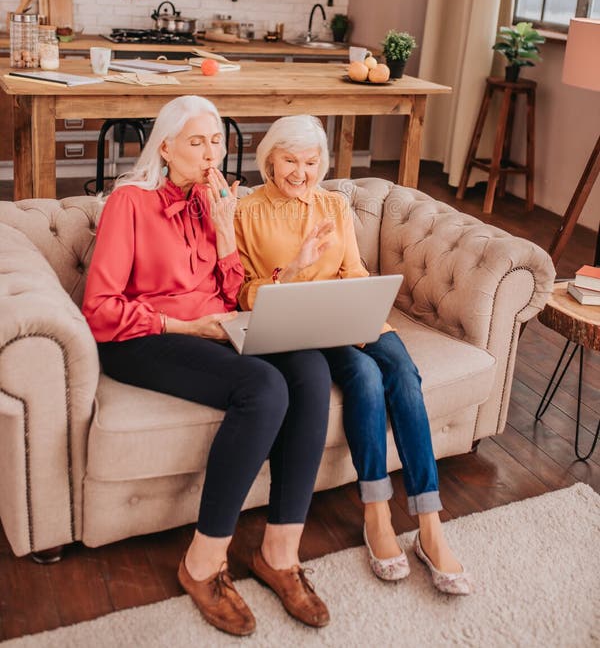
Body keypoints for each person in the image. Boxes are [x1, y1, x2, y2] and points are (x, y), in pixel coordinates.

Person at [82, 97, 332, 637]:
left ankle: (279, 553)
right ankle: (202, 563)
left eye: (216, 140)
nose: (210, 152)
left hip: (216, 329)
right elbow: (100, 309)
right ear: (165, 147)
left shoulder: (212, 202)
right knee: (264, 388)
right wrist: (185, 327)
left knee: (310, 371)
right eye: (196, 141)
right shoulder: (130, 202)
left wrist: (223, 232)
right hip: (145, 338)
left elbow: (231, 297)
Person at [234, 115, 471, 596]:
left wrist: (362, 299)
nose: (302, 171)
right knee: (363, 378)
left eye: (312, 160)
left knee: (403, 372)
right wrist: (295, 268)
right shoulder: (246, 212)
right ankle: (377, 513)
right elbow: (242, 294)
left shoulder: (334, 205)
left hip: (349, 316)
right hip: (302, 326)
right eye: (290, 160)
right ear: (270, 160)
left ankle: (429, 523)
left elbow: (353, 268)